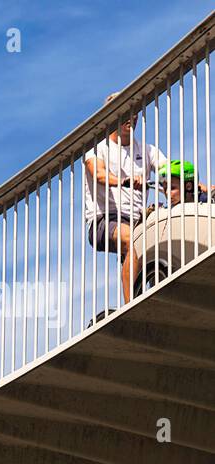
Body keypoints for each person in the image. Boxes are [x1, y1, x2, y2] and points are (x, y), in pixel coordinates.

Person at [83, 93, 168, 305]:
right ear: (111, 116)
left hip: (138, 220)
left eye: (135, 112)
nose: (132, 117)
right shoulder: (97, 148)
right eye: (125, 112)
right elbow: (98, 174)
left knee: (164, 232)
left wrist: (196, 185)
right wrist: (124, 181)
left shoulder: (148, 151)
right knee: (133, 239)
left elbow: (169, 172)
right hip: (104, 219)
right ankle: (133, 305)